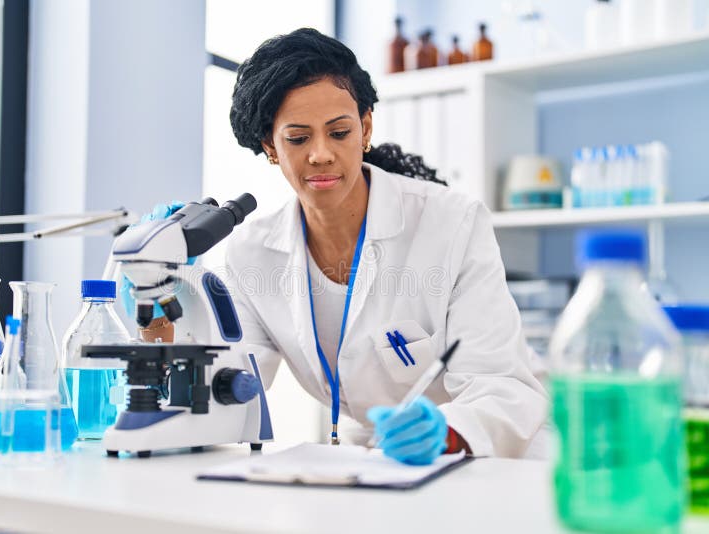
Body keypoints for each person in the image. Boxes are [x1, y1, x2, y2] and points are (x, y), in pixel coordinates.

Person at [129, 28, 548, 465]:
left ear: (365, 128)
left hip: (491, 452)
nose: (321, 154)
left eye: (339, 132)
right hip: (374, 455)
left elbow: (502, 383)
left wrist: (448, 431)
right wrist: (163, 305)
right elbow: (232, 383)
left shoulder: (452, 223)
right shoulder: (252, 253)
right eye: (297, 138)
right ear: (270, 146)